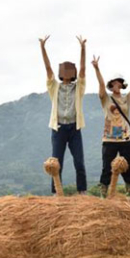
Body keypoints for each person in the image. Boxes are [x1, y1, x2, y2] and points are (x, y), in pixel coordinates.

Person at [91, 55, 130, 197]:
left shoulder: (126, 99)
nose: (117, 85)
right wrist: (97, 69)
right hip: (109, 138)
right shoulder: (106, 99)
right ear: (111, 85)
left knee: (128, 165)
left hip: (125, 137)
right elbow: (101, 85)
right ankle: (104, 189)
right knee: (107, 166)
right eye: (115, 83)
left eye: (119, 82)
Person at [40, 34, 88, 194]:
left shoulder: (78, 87)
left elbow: (83, 70)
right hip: (58, 128)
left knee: (79, 161)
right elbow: (48, 69)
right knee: (56, 162)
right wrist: (43, 48)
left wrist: (83, 48)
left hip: (74, 128)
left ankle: (82, 191)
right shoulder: (54, 87)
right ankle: (56, 192)